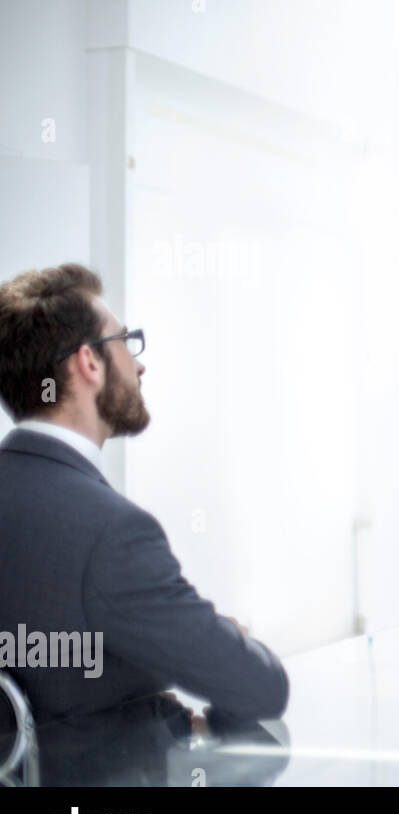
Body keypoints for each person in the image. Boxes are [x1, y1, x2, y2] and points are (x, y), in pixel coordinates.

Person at [0, 264, 289, 729]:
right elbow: (260, 687)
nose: (139, 363)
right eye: (125, 341)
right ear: (88, 362)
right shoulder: (110, 532)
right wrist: (219, 642)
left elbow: (48, 673)